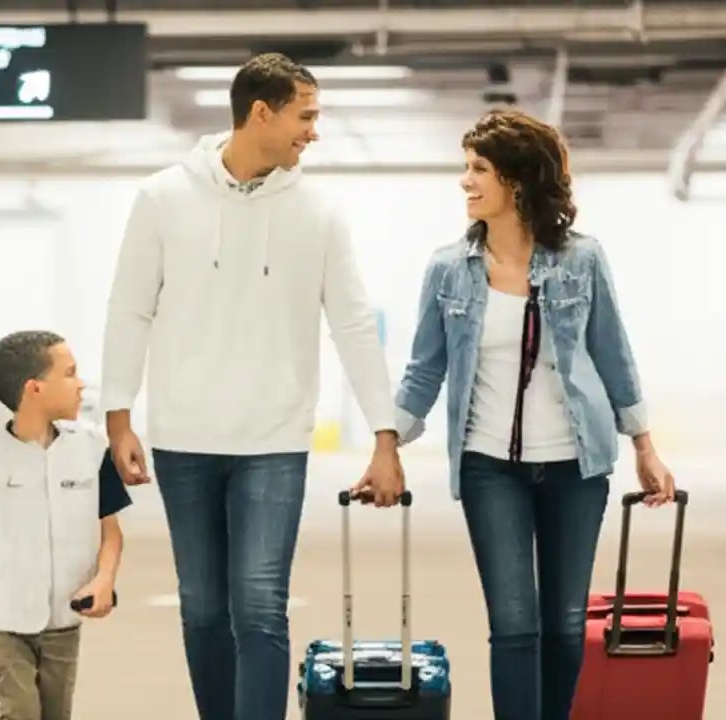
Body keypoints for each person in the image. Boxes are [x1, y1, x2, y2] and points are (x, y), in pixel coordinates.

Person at [99, 53, 406, 720]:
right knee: (203, 606)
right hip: (184, 437)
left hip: (274, 440)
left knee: (260, 603)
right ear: (260, 113)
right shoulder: (162, 198)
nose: (314, 132)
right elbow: (129, 307)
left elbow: (354, 324)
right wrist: (118, 418)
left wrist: (385, 434)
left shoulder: (319, 213)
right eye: (306, 116)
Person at [393, 108, 677, 720]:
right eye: (466, 168)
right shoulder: (449, 268)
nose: (465, 182)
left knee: (567, 627)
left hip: (576, 466)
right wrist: (388, 443)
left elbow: (613, 355)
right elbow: (424, 368)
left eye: (478, 169)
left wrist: (645, 447)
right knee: (515, 625)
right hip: (489, 465)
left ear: (517, 182)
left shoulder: (582, 259)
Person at [0, 330, 133, 720]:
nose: (81, 384)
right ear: (34, 388)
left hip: (64, 616)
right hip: (3, 615)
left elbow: (111, 531)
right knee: (21, 711)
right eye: (70, 374)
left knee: (55, 714)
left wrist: (105, 579)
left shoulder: (92, 451)